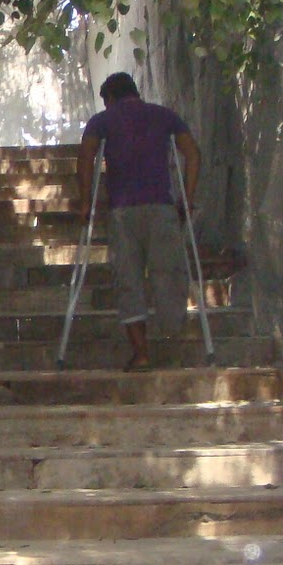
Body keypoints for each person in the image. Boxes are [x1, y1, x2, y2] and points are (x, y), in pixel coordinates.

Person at [76, 71, 201, 372]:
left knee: (128, 279)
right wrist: (187, 198)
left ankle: (142, 354)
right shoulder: (164, 115)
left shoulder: (101, 121)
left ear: (109, 98)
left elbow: (85, 157)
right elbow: (192, 154)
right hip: (161, 208)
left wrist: (85, 201)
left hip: (122, 212)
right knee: (168, 273)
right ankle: (174, 337)